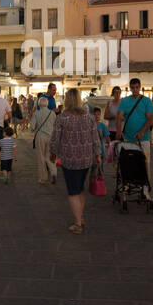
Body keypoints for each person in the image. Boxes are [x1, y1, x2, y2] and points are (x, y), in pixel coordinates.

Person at [49, 89, 99, 233]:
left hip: (69, 159)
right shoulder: (89, 118)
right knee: (80, 188)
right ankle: (80, 217)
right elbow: (95, 138)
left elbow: (55, 138)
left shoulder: (62, 118)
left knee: (73, 191)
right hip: (86, 158)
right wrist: (97, 155)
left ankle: (78, 224)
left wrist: (53, 153)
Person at [116, 78, 153, 178]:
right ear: (130, 88)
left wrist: (142, 132)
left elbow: (150, 119)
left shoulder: (146, 101)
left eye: (137, 87)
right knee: (129, 164)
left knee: (145, 163)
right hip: (128, 138)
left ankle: (145, 188)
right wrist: (119, 131)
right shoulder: (124, 101)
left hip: (144, 139)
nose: (135, 90)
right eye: (133, 88)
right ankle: (128, 185)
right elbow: (119, 117)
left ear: (140, 87)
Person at [31, 94, 58, 184]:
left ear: (39, 104)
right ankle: (53, 172)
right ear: (47, 104)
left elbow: (32, 127)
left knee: (41, 157)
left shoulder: (36, 113)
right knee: (49, 156)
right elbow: (56, 125)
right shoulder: (52, 113)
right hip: (50, 136)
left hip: (40, 136)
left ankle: (43, 178)